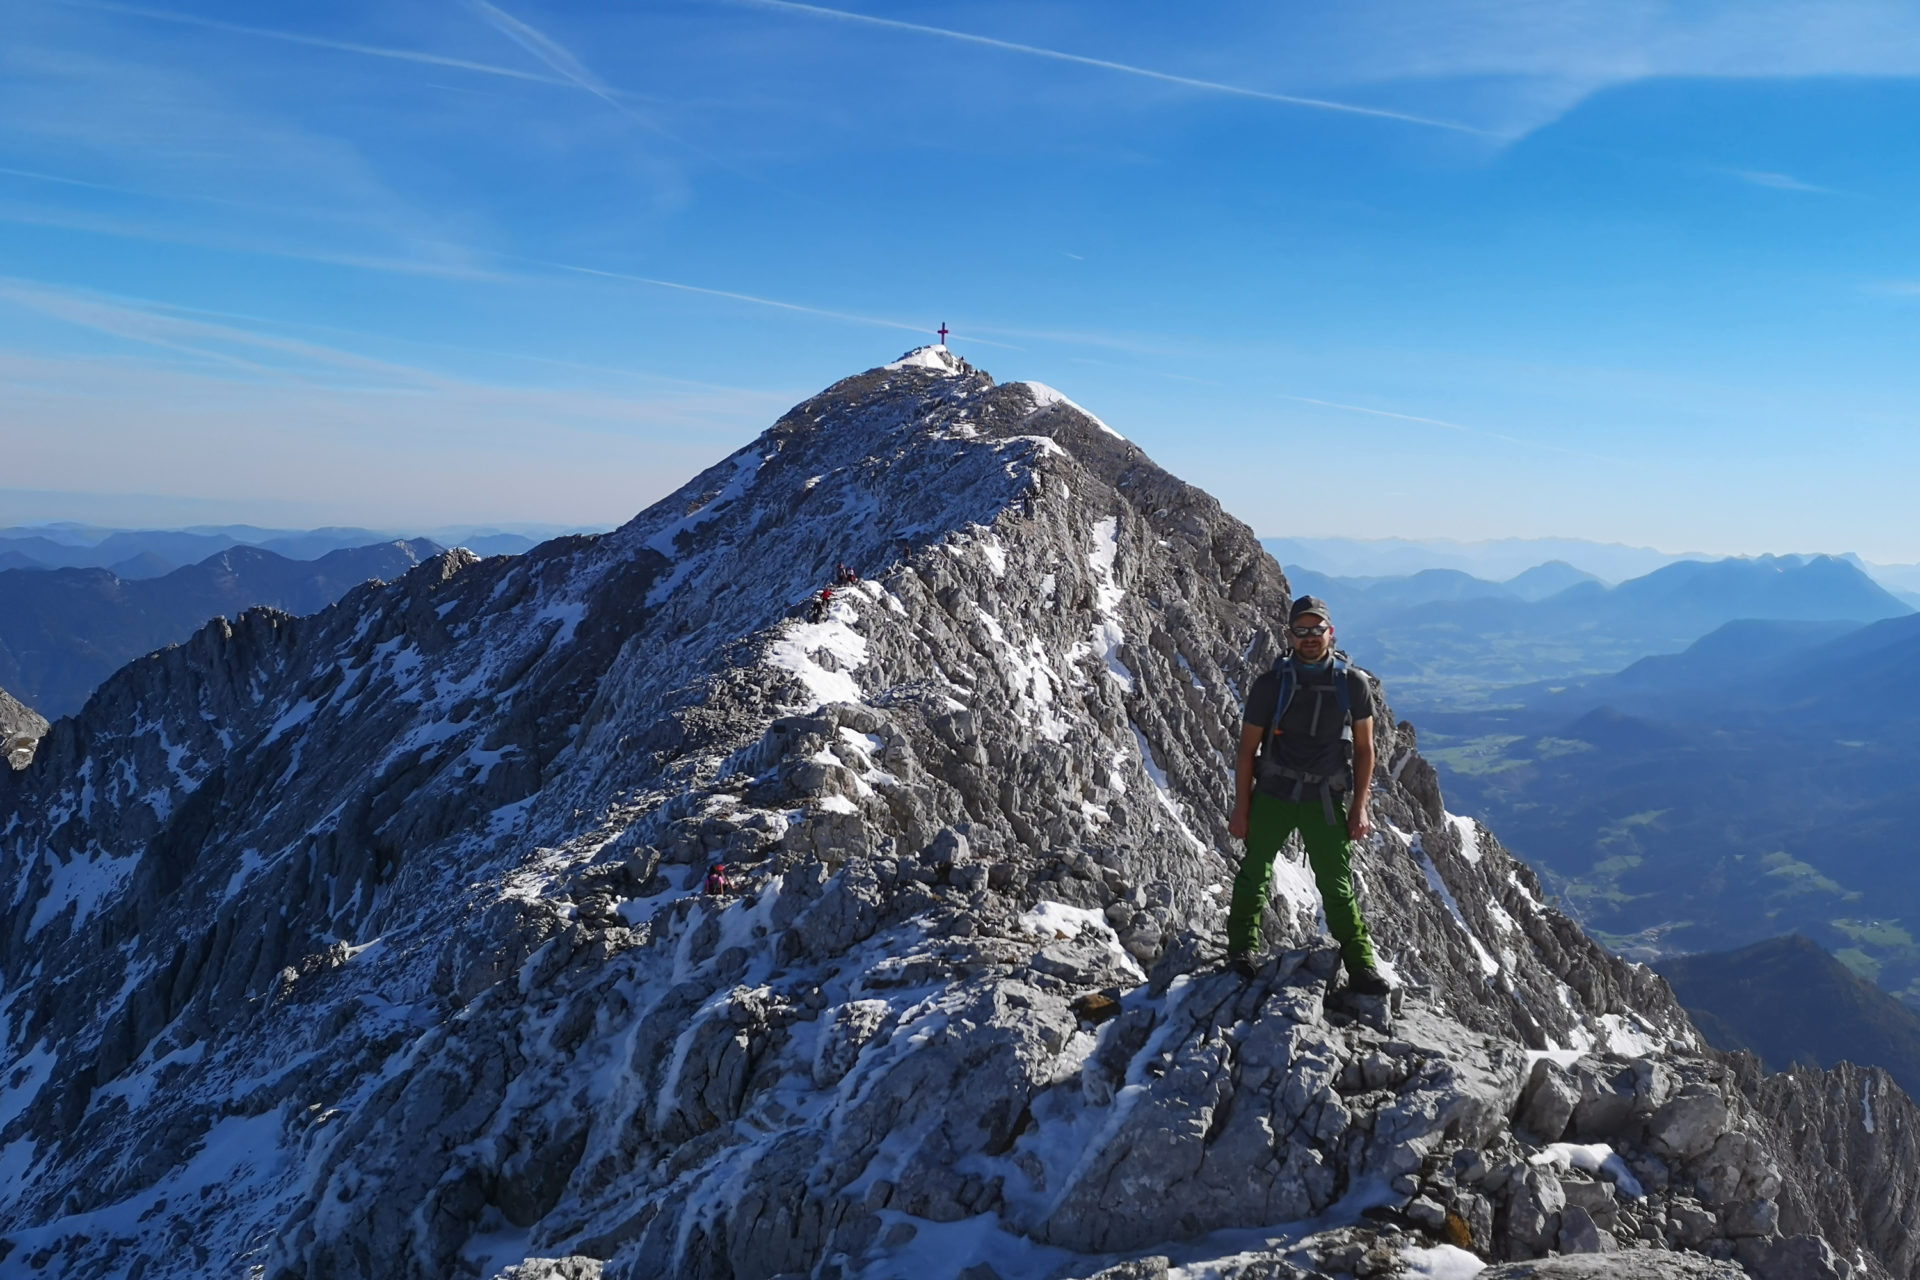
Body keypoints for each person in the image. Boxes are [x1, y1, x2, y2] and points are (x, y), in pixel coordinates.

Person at [1227, 596, 1391, 995]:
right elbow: (1247, 751)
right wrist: (1241, 809)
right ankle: (1240, 954)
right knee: (1254, 876)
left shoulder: (1352, 684)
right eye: (1301, 631)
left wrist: (1360, 807)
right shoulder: (1270, 685)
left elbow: (1366, 749)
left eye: (1316, 629)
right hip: (1273, 794)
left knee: (1337, 887)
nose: (1309, 638)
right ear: (1289, 636)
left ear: (1330, 633)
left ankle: (1361, 965)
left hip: (1325, 802)